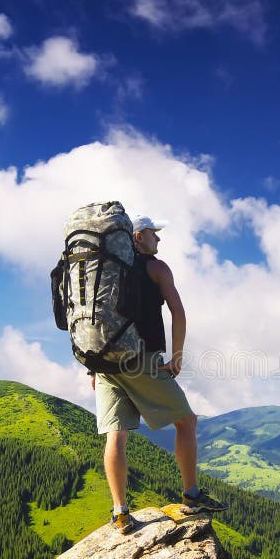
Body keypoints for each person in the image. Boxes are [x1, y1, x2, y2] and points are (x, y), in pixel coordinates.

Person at [90, 214, 228, 533]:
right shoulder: (156, 268)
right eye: (154, 233)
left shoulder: (104, 269)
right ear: (138, 237)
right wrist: (176, 356)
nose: (159, 239)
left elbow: (93, 319)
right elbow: (178, 311)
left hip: (105, 362)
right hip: (141, 359)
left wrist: (92, 366)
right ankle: (192, 496)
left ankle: (120, 513)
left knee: (116, 434)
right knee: (187, 421)